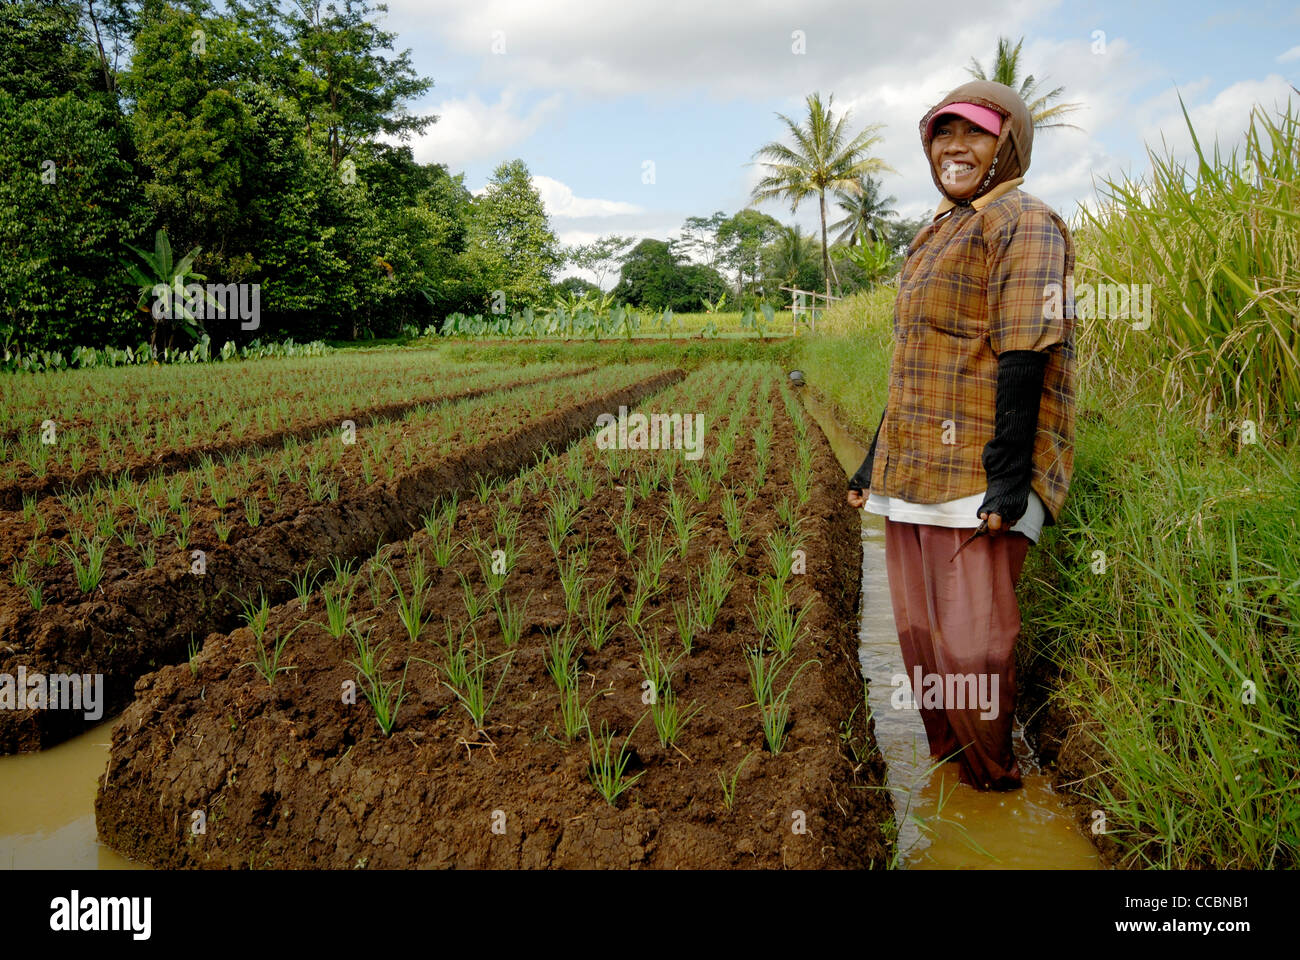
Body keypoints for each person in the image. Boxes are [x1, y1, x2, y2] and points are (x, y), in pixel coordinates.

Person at [846, 79, 1076, 791]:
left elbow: (1023, 350)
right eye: (942, 133)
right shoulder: (936, 229)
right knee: (919, 641)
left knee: (972, 646)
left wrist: (1008, 477)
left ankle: (995, 784)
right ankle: (955, 779)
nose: (955, 147)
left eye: (975, 133)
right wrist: (869, 464)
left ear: (1009, 145)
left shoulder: (1024, 221)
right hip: (912, 470)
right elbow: (916, 357)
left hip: (978, 470)